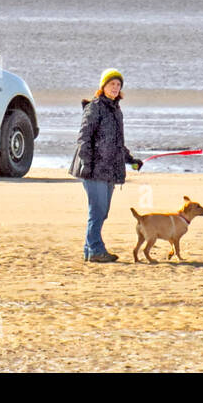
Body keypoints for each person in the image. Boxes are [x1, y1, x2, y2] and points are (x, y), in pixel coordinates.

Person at [69, 68, 142, 263]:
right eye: (112, 84)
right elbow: (83, 138)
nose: (115, 88)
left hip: (109, 170)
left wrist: (131, 160)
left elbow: (117, 143)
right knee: (97, 211)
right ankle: (96, 249)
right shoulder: (94, 107)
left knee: (102, 212)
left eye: (118, 85)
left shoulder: (117, 110)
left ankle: (89, 249)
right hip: (92, 170)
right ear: (103, 86)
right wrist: (86, 162)